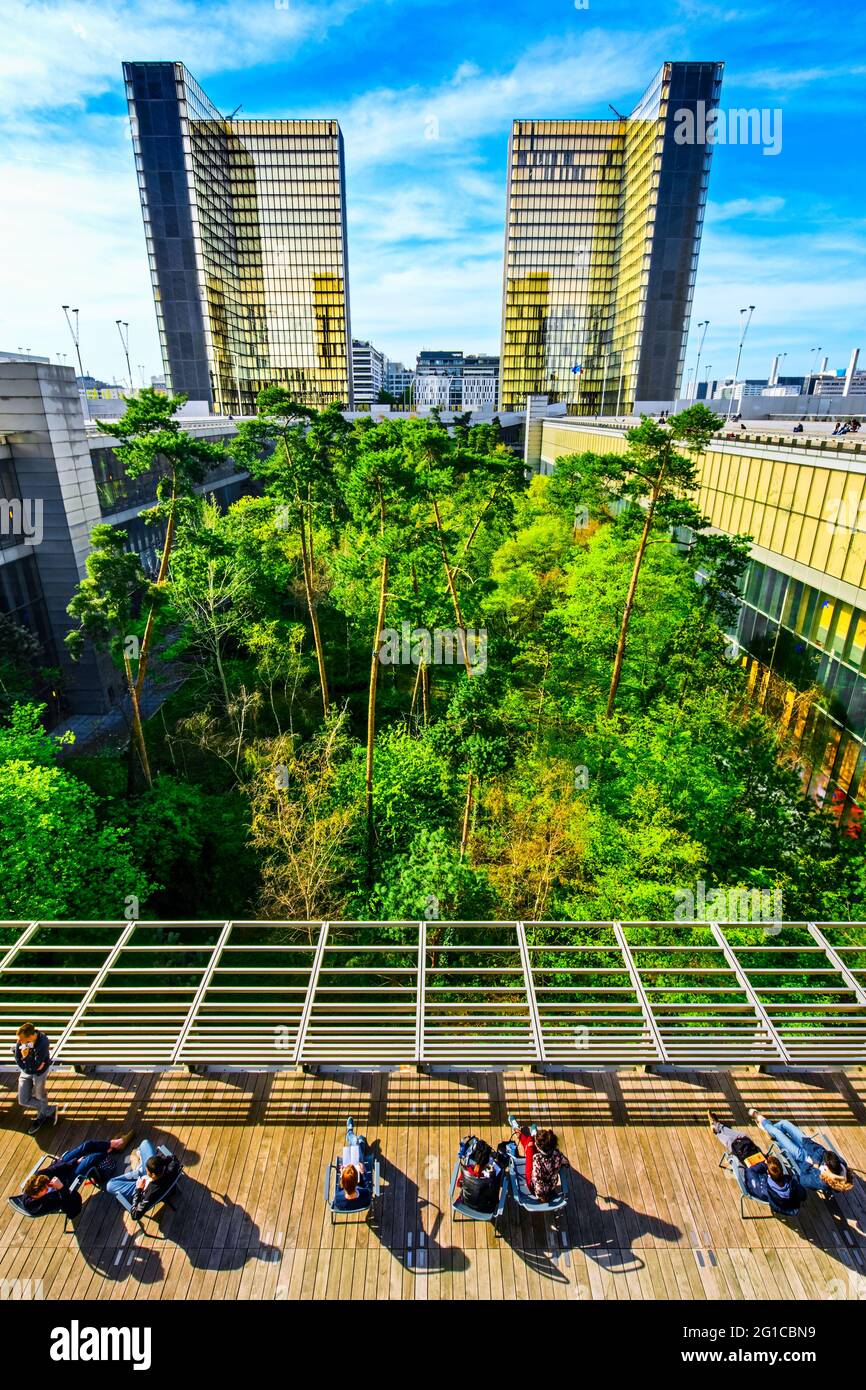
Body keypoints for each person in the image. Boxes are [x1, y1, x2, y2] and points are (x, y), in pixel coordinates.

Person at [17, 1130, 135, 1217]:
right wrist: (61, 1188)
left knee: (87, 1146)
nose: (49, 1184)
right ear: (38, 1194)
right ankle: (111, 1148)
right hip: (67, 1184)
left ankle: (112, 1144)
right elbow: (71, 1209)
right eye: (47, 1187)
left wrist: (73, 1162)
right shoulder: (43, 1205)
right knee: (92, 1158)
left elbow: (54, 1168)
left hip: (63, 1169)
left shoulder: (38, 1178)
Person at [708, 1111, 804, 1215]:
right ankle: (718, 1127)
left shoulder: (767, 1187)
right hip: (759, 1172)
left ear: (769, 1173)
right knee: (744, 1137)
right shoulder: (787, 1183)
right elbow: (803, 1194)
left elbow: (750, 1171)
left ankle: (717, 1130)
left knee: (733, 1144)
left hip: (748, 1179)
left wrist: (763, 1163)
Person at [749, 1109, 854, 1195]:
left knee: (777, 1133)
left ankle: (762, 1121)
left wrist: (809, 1163)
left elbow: (803, 1179)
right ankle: (770, 1131)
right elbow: (822, 1151)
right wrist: (816, 1163)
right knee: (784, 1123)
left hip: (802, 1158)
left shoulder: (821, 1181)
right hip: (808, 1143)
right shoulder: (840, 1163)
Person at [106, 1141, 178, 1221]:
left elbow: (135, 1215)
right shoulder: (171, 1167)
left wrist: (138, 1189)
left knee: (110, 1185)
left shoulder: (150, 1194)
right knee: (145, 1143)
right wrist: (160, 1161)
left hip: (143, 1188)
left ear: (153, 1174)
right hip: (154, 1178)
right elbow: (173, 1158)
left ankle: (139, 1168)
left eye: (147, 1170)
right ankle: (140, 1168)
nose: (146, 1170)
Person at [508, 1117, 568, 1202]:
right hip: (551, 1186)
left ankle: (522, 1131)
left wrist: (543, 1198)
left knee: (529, 1144)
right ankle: (533, 1134)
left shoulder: (537, 1159)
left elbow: (538, 1185)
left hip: (536, 1190)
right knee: (530, 1144)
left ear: (539, 1148)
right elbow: (566, 1162)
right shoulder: (557, 1154)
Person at [14, 1022, 57, 1135]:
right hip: (26, 1071)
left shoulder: (42, 1043)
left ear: (31, 1037)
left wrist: (26, 1057)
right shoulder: (22, 1040)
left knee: (39, 1095)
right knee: (23, 1100)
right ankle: (49, 1109)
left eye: (22, 1040)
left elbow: (36, 1065)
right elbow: (17, 1058)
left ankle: (41, 1117)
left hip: (39, 1074)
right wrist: (27, 1066)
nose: (19, 1042)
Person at [456, 1135, 503, 1213]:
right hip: (485, 1209)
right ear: (486, 1164)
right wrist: (493, 1175)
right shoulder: (490, 1179)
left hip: (466, 1202)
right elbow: (494, 1196)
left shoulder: (465, 1170)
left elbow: (459, 1184)